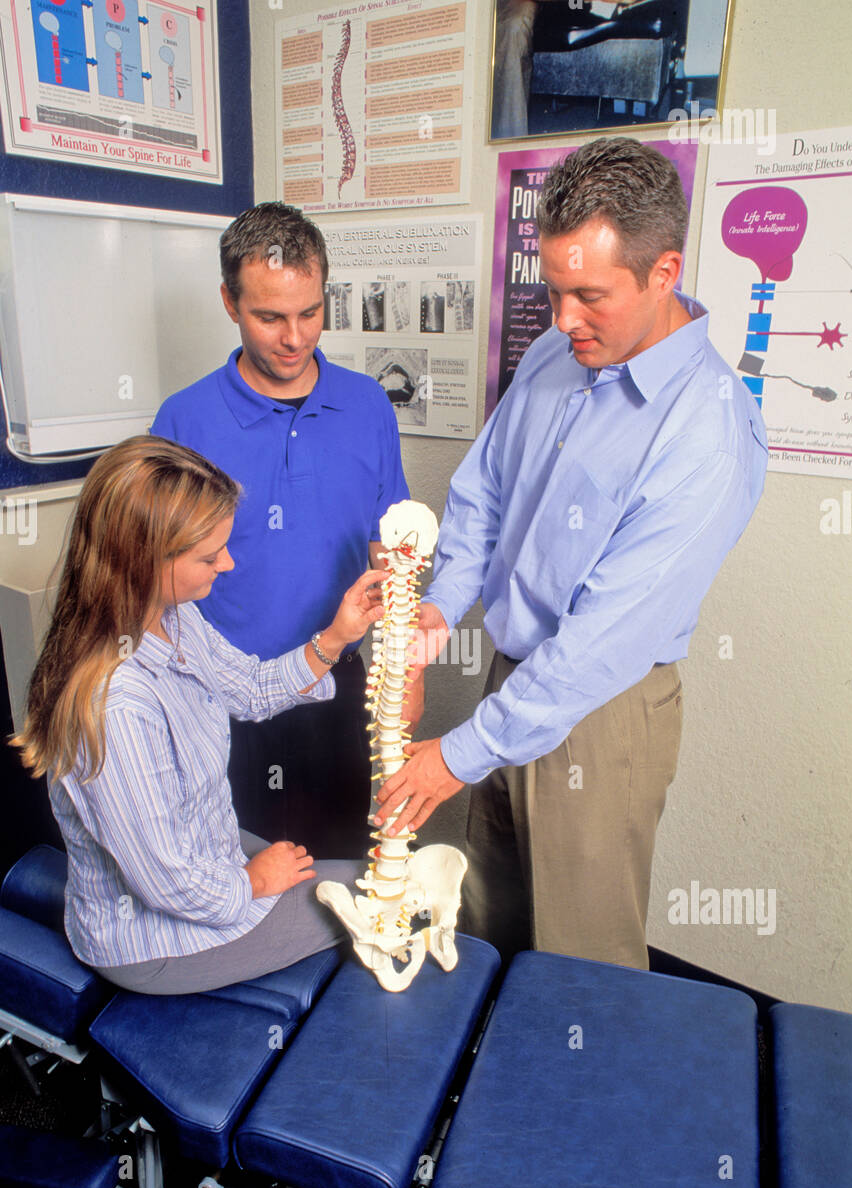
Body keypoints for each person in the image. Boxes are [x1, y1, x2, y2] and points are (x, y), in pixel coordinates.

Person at [375, 137, 768, 971]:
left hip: (604, 709)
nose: (562, 320)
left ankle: (578, 1099)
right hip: (512, 679)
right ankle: (488, 1094)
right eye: (553, 291)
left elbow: (600, 646)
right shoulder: (560, 352)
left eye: (589, 296)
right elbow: (483, 495)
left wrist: (454, 753)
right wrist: (437, 614)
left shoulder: (707, 431)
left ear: (663, 272)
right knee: (487, 924)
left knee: (581, 963)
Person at [11, 438, 386, 995]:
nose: (228, 564)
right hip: (159, 938)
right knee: (384, 900)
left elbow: (253, 690)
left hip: (207, 859)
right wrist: (251, 883)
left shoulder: (175, 619)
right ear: (142, 560)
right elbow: (166, 881)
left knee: (354, 876)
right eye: (209, 557)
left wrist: (335, 637)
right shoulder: (115, 704)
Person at [152, 203, 408, 860]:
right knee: (241, 876)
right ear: (229, 303)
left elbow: (390, 548)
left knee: (343, 873)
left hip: (336, 687)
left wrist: (406, 675)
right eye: (270, 317)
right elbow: (153, 580)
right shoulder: (183, 421)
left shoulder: (367, 404)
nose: (295, 338)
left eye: (311, 312)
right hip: (225, 695)